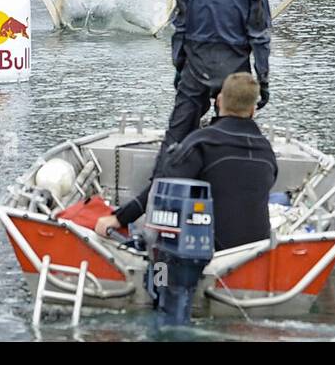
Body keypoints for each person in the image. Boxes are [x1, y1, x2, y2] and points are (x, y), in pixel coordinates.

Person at [103, 0, 272, 230]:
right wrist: (262, 84)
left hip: (195, 70)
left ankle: (144, 209)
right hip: (233, 77)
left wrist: (180, 72)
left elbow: (179, 33)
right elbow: (260, 39)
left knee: (175, 139)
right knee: (233, 139)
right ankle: (230, 210)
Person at [96, 73, 277, 250]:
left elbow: (161, 189)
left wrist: (119, 218)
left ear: (219, 101)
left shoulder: (200, 142)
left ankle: (159, 277)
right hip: (257, 252)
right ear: (253, 110)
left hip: (211, 253)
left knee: (146, 231)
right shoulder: (266, 150)